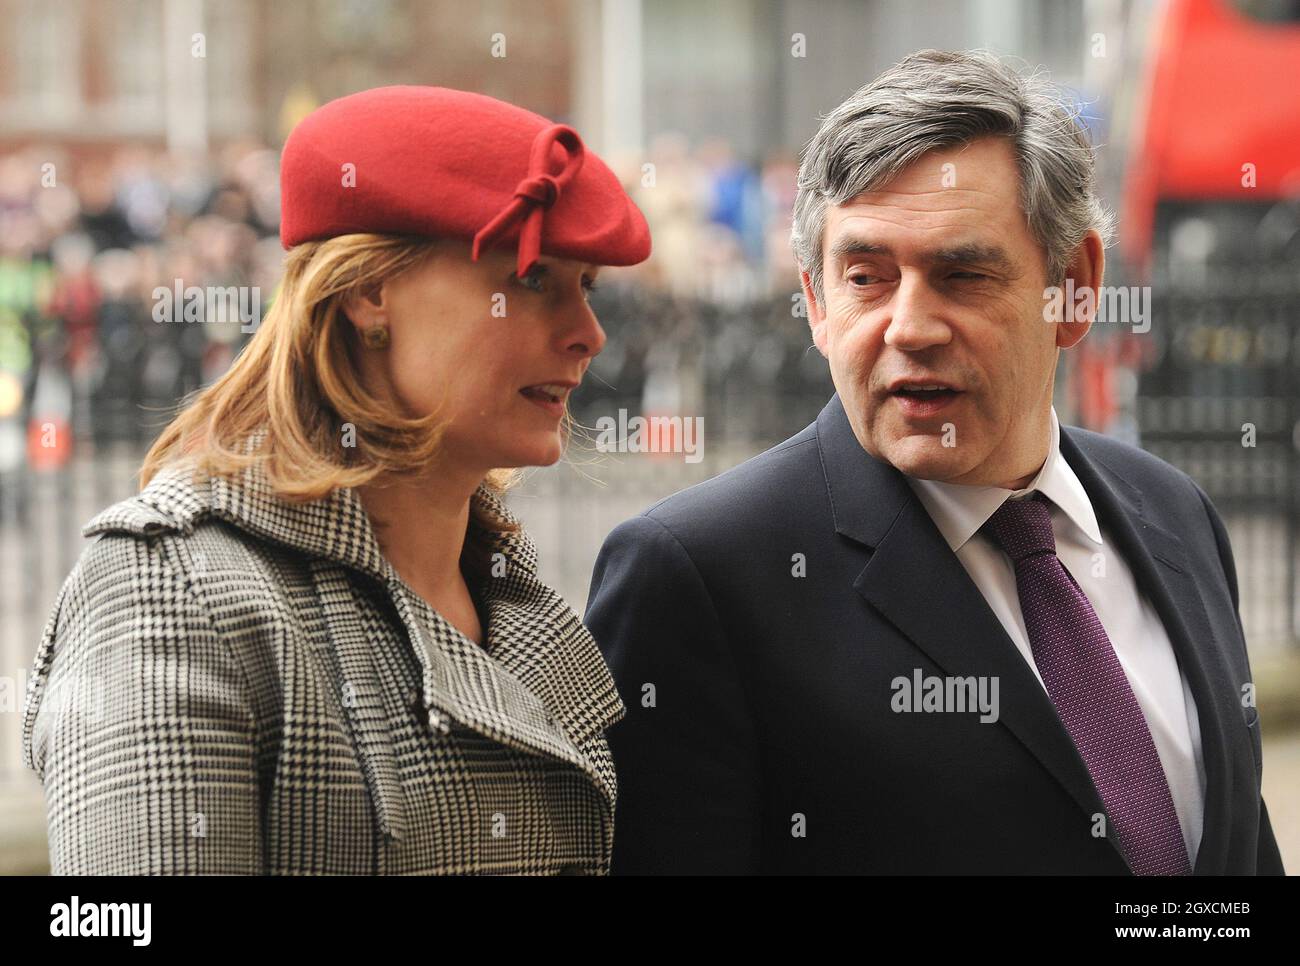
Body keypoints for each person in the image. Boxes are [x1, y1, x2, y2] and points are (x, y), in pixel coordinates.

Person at [584, 50, 1285, 875]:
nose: (909, 326)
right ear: (814, 300)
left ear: (1075, 287)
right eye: (865, 278)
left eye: (962, 274)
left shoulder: (1175, 515)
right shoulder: (698, 578)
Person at [21, 85, 650, 875]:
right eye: (531, 279)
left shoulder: (516, 601)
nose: (587, 334)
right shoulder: (171, 592)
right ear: (366, 291)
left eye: (587, 286)